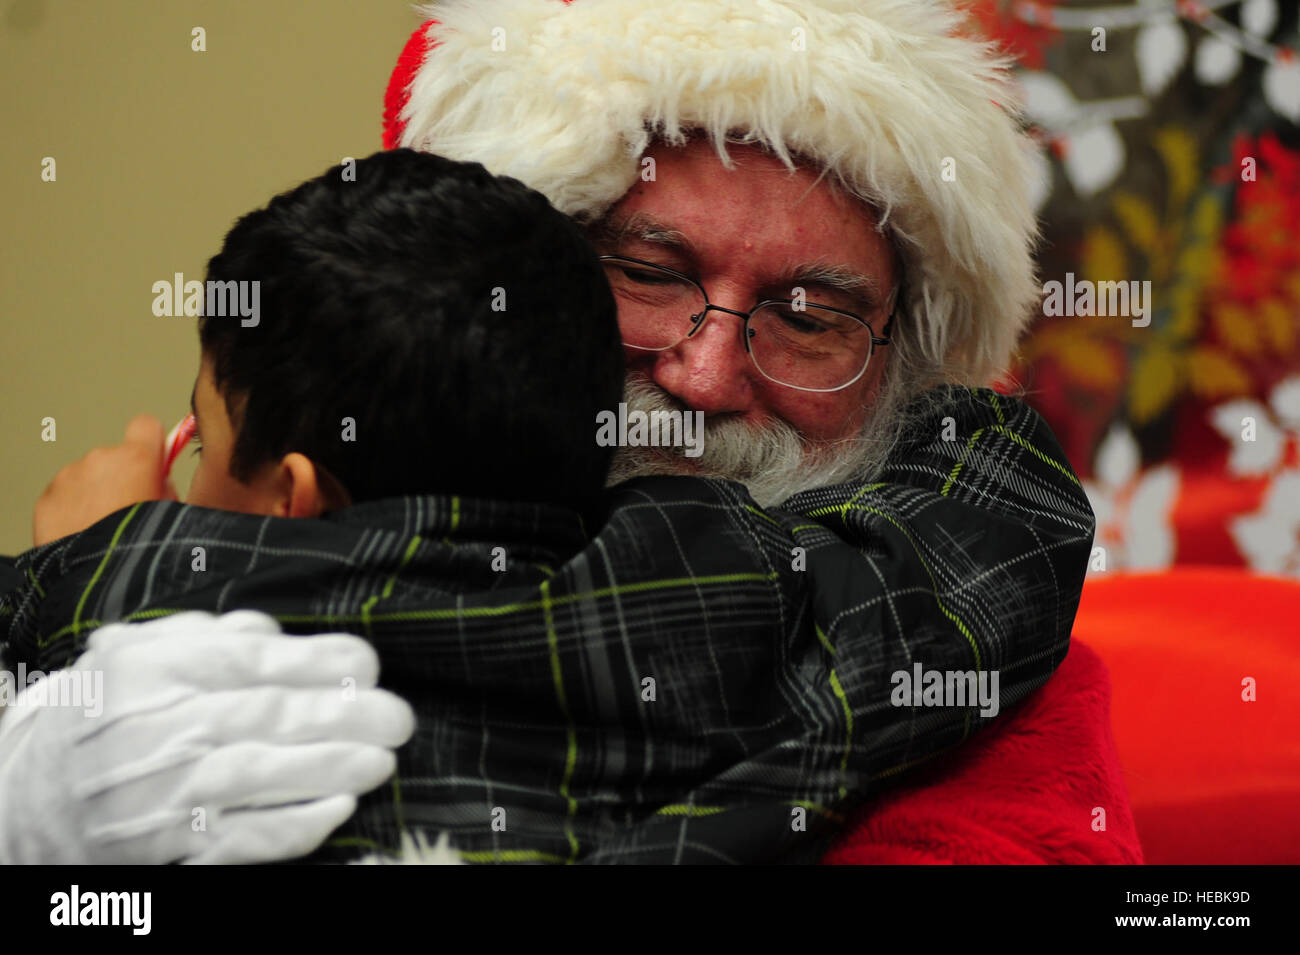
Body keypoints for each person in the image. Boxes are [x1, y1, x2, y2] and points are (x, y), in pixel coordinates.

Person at [0, 0, 1107, 864]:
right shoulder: (276, 467)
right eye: (643, 271)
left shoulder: (983, 678)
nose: (706, 374)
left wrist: (94, 575)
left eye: (808, 318)